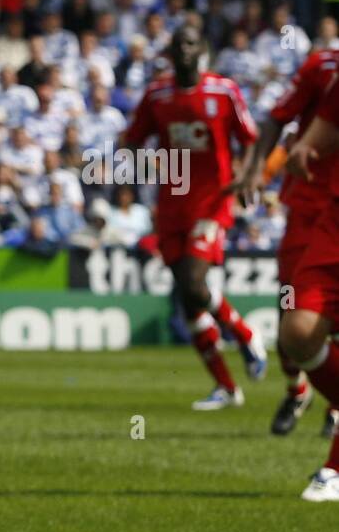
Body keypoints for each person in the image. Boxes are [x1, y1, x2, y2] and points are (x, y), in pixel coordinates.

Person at [122, 25, 267, 410]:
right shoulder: (158, 96)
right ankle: (227, 388)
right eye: (178, 45)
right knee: (189, 303)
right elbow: (132, 137)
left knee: (193, 285)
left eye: (190, 44)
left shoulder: (223, 91)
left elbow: (251, 138)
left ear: (201, 50)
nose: (184, 51)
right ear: (170, 53)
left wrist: (247, 174)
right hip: (172, 207)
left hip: (213, 202)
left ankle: (245, 333)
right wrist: (135, 157)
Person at [238, 47, 339, 437]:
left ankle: (334, 408)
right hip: (308, 205)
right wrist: (255, 171)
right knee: (290, 304)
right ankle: (297, 388)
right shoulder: (321, 66)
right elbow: (277, 117)